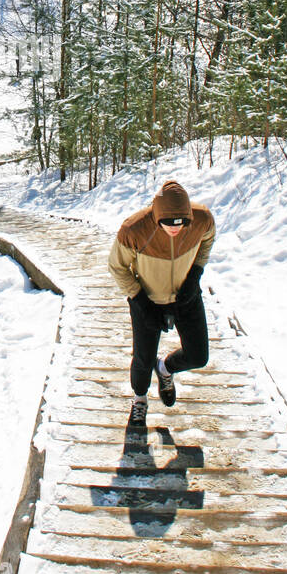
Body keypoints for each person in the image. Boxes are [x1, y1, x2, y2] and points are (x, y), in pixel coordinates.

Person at [108, 179, 216, 424]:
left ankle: (166, 368)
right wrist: (139, 300)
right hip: (148, 299)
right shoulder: (134, 229)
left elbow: (208, 240)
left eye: (181, 224)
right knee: (143, 358)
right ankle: (139, 399)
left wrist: (195, 274)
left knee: (198, 356)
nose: (175, 229)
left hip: (185, 296)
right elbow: (117, 266)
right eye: (168, 224)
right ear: (157, 217)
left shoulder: (202, 219)